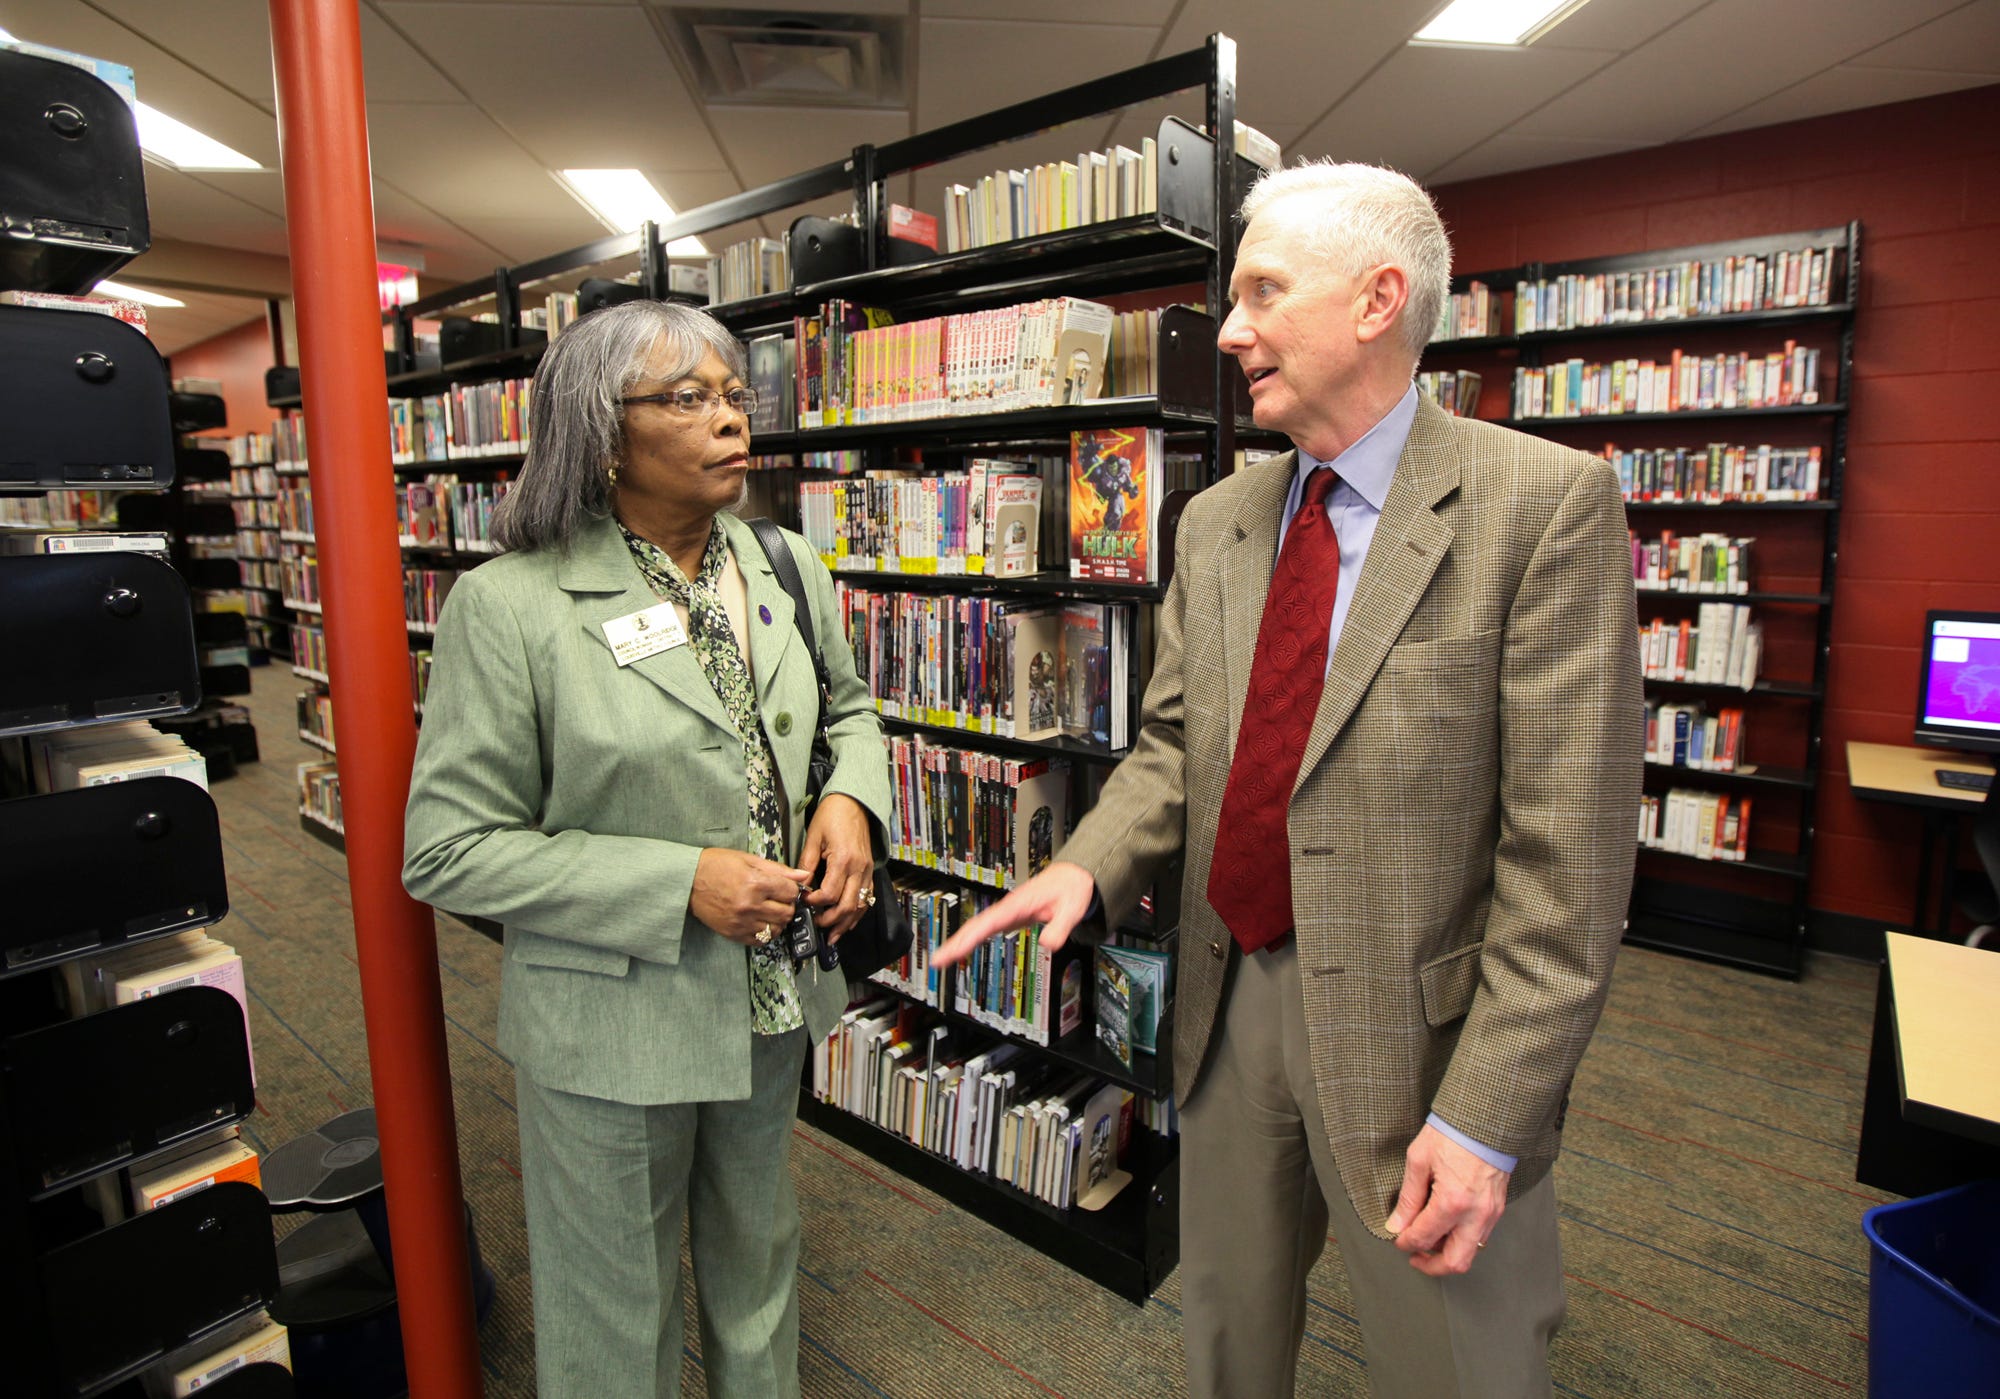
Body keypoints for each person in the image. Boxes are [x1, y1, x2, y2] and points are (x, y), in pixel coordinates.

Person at [936, 161, 1641, 1397]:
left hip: (1428, 1037)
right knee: (1227, 1330)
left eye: (1261, 291)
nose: (1230, 329)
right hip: (1229, 995)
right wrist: (1083, 866)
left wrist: (1485, 1118)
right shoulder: (1212, 521)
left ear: (1376, 302)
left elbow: (1567, 869)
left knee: (1455, 1366)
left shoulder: (1541, 507)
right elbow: (1171, 747)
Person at [403, 300, 890, 1399]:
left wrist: (852, 801)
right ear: (600, 429)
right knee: (613, 1309)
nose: (728, 420)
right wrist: (680, 882)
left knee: (759, 1265)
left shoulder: (781, 563)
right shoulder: (509, 606)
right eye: (686, 398)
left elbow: (851, 710)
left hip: (767, 998)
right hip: (610, 1021)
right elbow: (446, 849)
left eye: (732, 394)